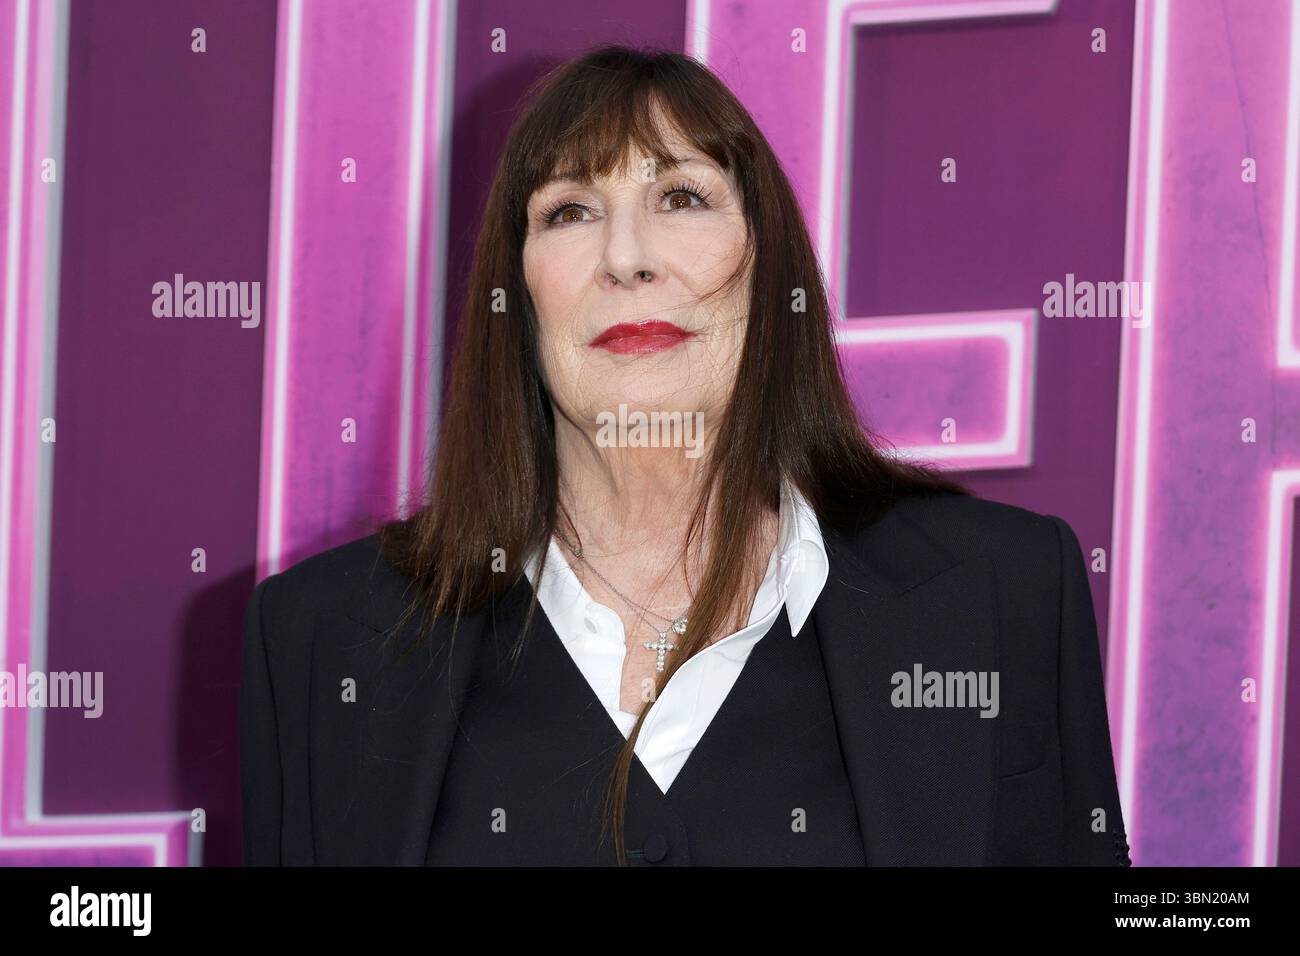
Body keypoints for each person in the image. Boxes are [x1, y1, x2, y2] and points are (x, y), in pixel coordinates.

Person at [240, 44, 1129, 867]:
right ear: (518, 293)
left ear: (768, 264)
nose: (627, 258)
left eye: (681, 197)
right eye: (571, 210)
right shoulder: (323, 642)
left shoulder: (1004, 595)